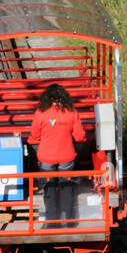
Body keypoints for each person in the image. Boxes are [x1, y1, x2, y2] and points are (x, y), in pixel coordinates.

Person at [28, 84, 86, 226]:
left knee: (49, 188)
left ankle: (52, 221)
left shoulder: (41, 113)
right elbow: (80, 137)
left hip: (46, 157)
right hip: (67, 156)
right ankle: (68, 220)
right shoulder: (71, 112)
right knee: (67, 187)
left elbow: (34, 135)